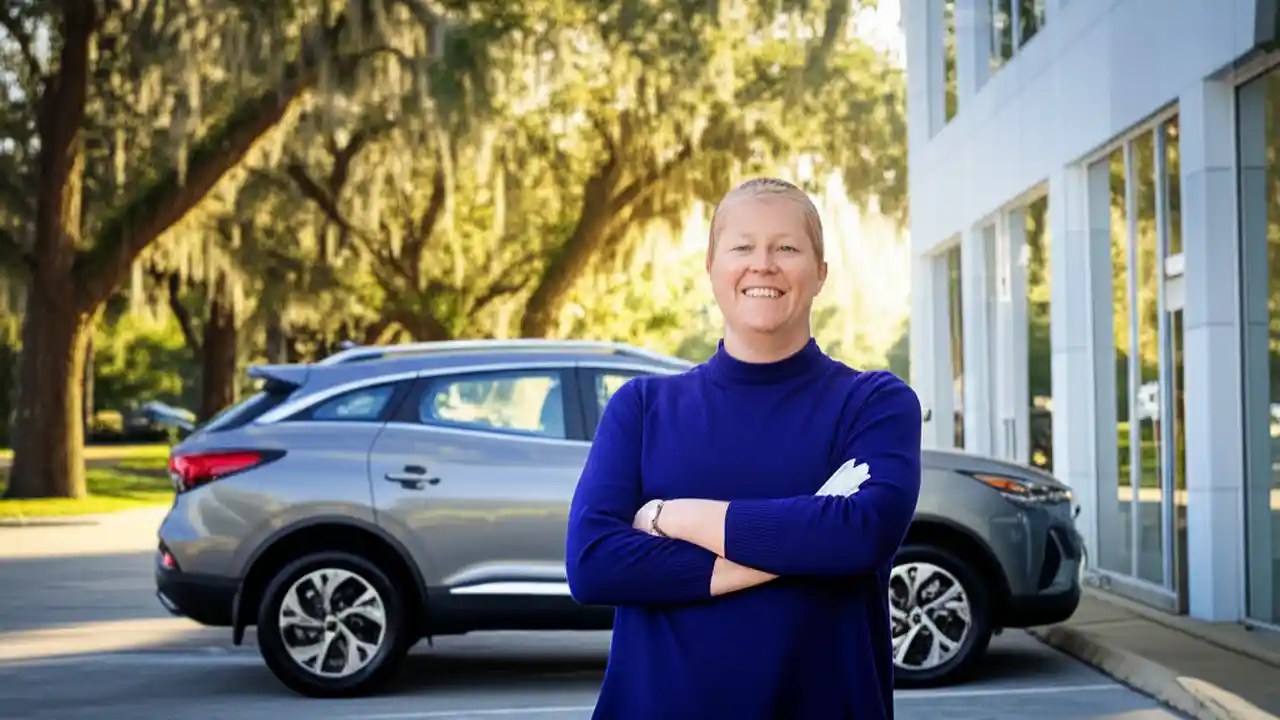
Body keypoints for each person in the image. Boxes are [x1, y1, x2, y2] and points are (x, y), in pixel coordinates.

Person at [564, 177, 923, 719]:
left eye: (786, 247)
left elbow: (861, 533)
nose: (764, 264)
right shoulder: (641, 407)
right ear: (711, 268)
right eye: (742, 247)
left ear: (820, 272)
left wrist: (671, 516)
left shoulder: (872, 402)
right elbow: (593, 564)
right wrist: (799, 547)